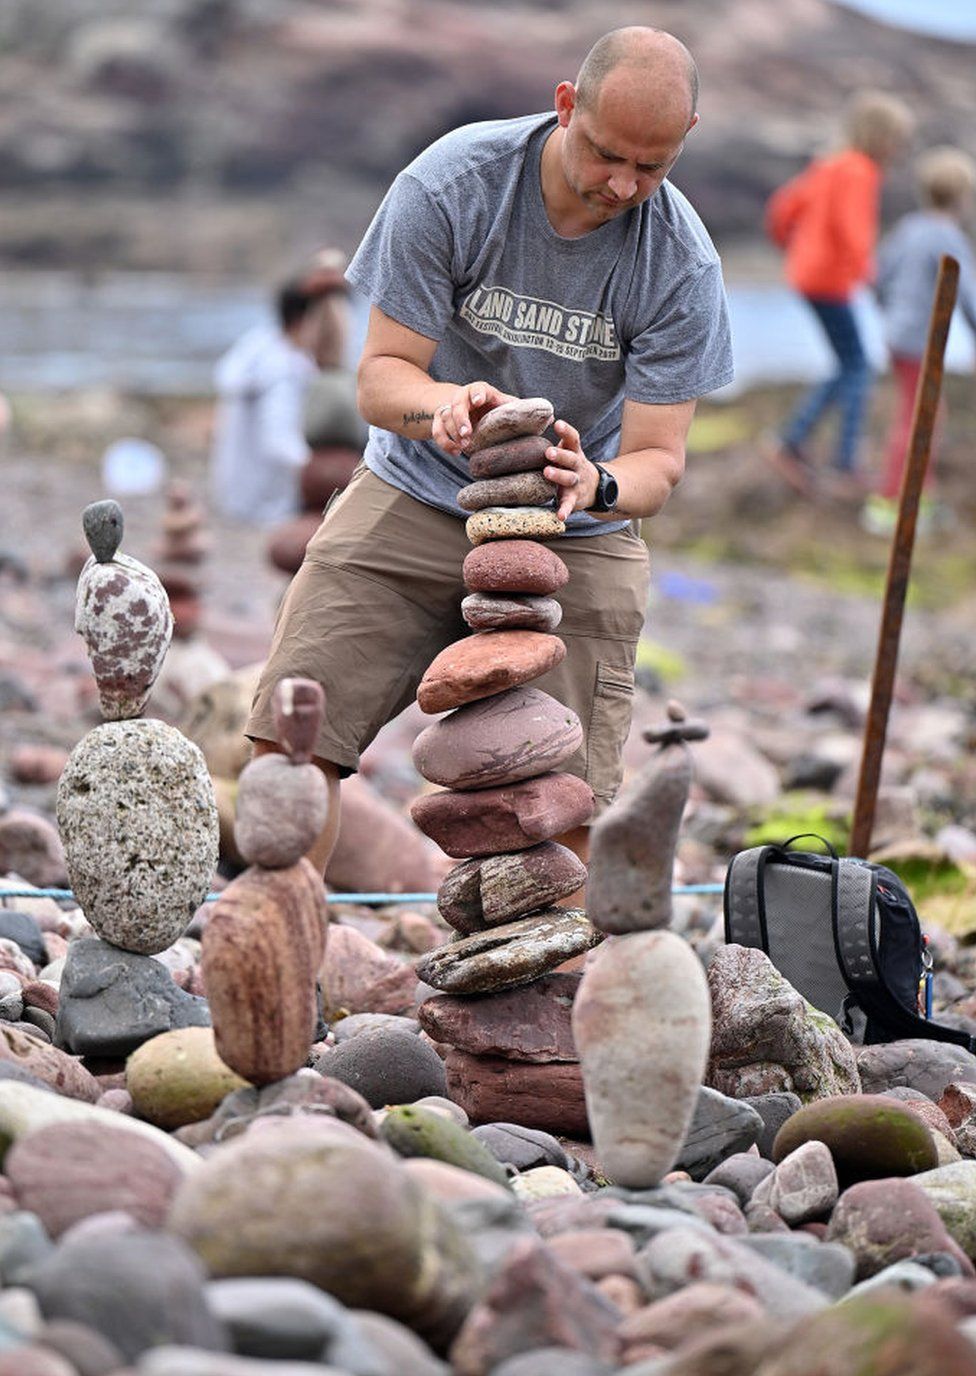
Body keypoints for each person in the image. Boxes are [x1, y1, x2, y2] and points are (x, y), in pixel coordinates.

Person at [245, 26, 734, 875]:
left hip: (576, 533)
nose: (622, 185)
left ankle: (545, 994)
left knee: (572, 797)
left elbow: (659, 462)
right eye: (606, 153)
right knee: (292, 741)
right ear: (565, 106)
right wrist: (445, 407)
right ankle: (285, 964)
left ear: (686, 137)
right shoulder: (454, 184)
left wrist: (600, 479)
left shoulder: (681, 264)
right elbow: (381, 378)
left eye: (651, 167)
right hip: (417, 490)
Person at [764, 91, 914, 499]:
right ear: (881, 136)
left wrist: (791, 248)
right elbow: (853, 231)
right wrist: (872, 279)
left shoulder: (828, 164)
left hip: (809, 275)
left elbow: (782, 209)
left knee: (850, 362)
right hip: (829, 280)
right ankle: (836, 459)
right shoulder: (859, 170)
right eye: (896, 139)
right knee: (859, 366)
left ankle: (796, 444)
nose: (898, 149)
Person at [862, 146, 976, 536]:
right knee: (918, 421)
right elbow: (968, 296)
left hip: (897, 336)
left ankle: (918, 497)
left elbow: (878, 277)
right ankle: (890, 503)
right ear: (963, 196)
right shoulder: (949, 236)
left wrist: (888, 310)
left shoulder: (909, 228)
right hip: (921, 341)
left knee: (923, 415)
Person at [209, 252, 348, 526]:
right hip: (271, 498)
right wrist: (321, 469)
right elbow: (278, 439)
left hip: (238, 487)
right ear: (303, 320)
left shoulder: (260, 346)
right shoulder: (283, 367)